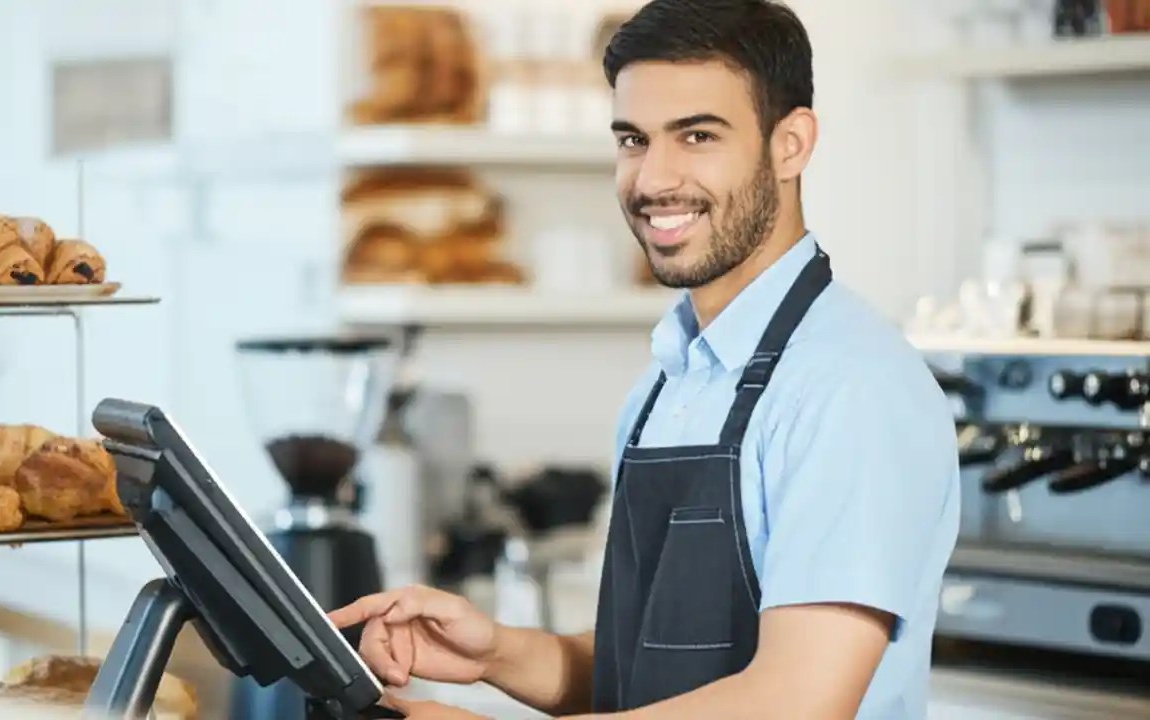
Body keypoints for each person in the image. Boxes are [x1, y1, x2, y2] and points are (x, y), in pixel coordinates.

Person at [330, 1, 961, 717]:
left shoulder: (851, 388)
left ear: (791, 144)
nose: (654, 179)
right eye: (633, 140)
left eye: (696, 136)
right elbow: (648, 668)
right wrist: (499, 654)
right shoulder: (668, 384)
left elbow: (796, 700)